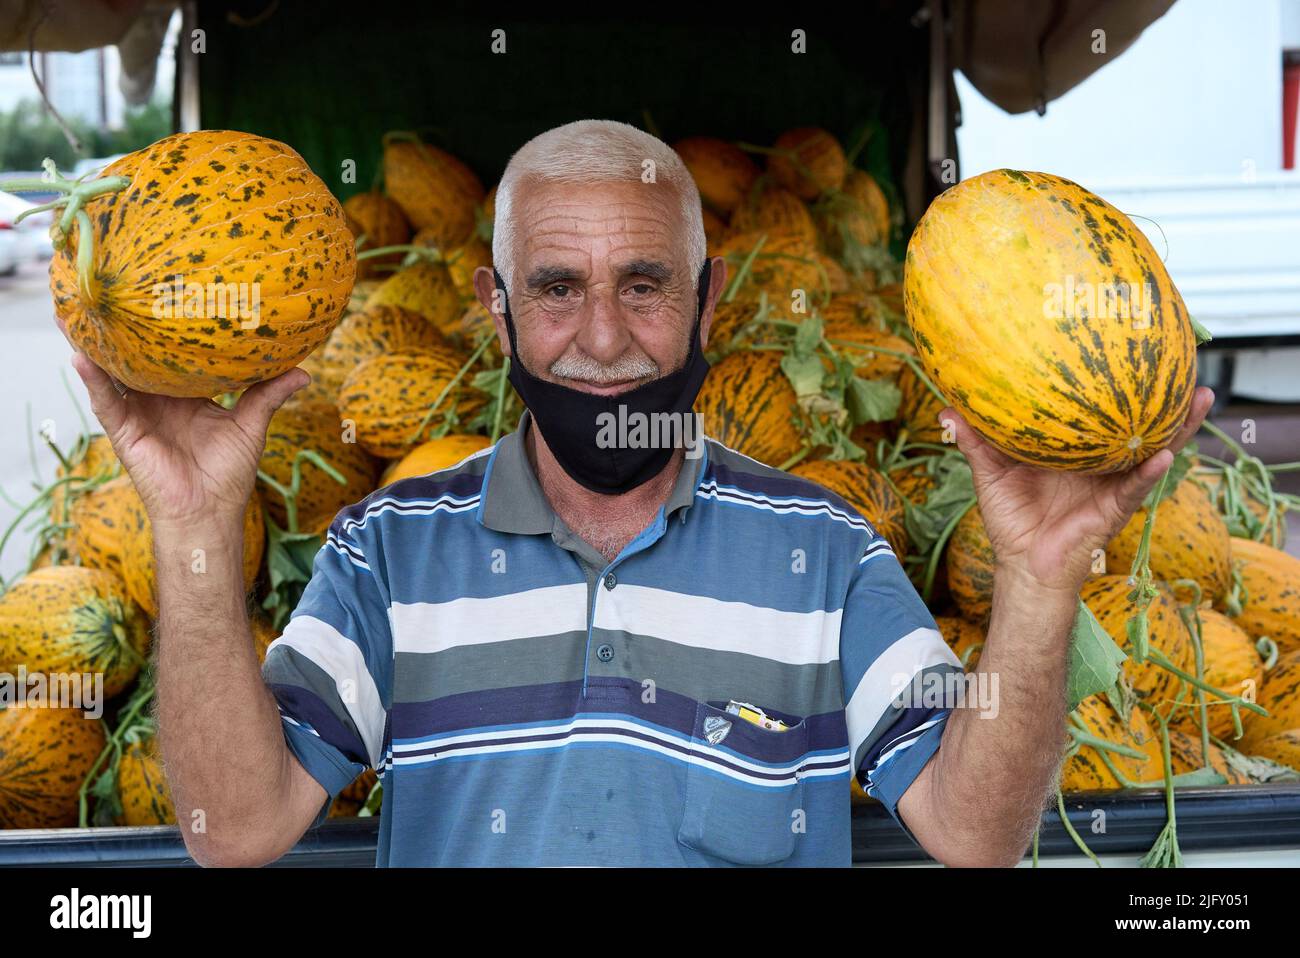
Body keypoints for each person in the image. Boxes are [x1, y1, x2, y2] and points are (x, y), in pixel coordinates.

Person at [72, 119, 1211, 867]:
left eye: (644, 285)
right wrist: (191, 521)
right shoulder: (386, 550)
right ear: (494, 309)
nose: (603, 338)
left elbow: (973, 833)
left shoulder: (825, 547)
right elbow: (233, 828)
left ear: (710, 306)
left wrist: (1042, 577)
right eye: (556, 289)